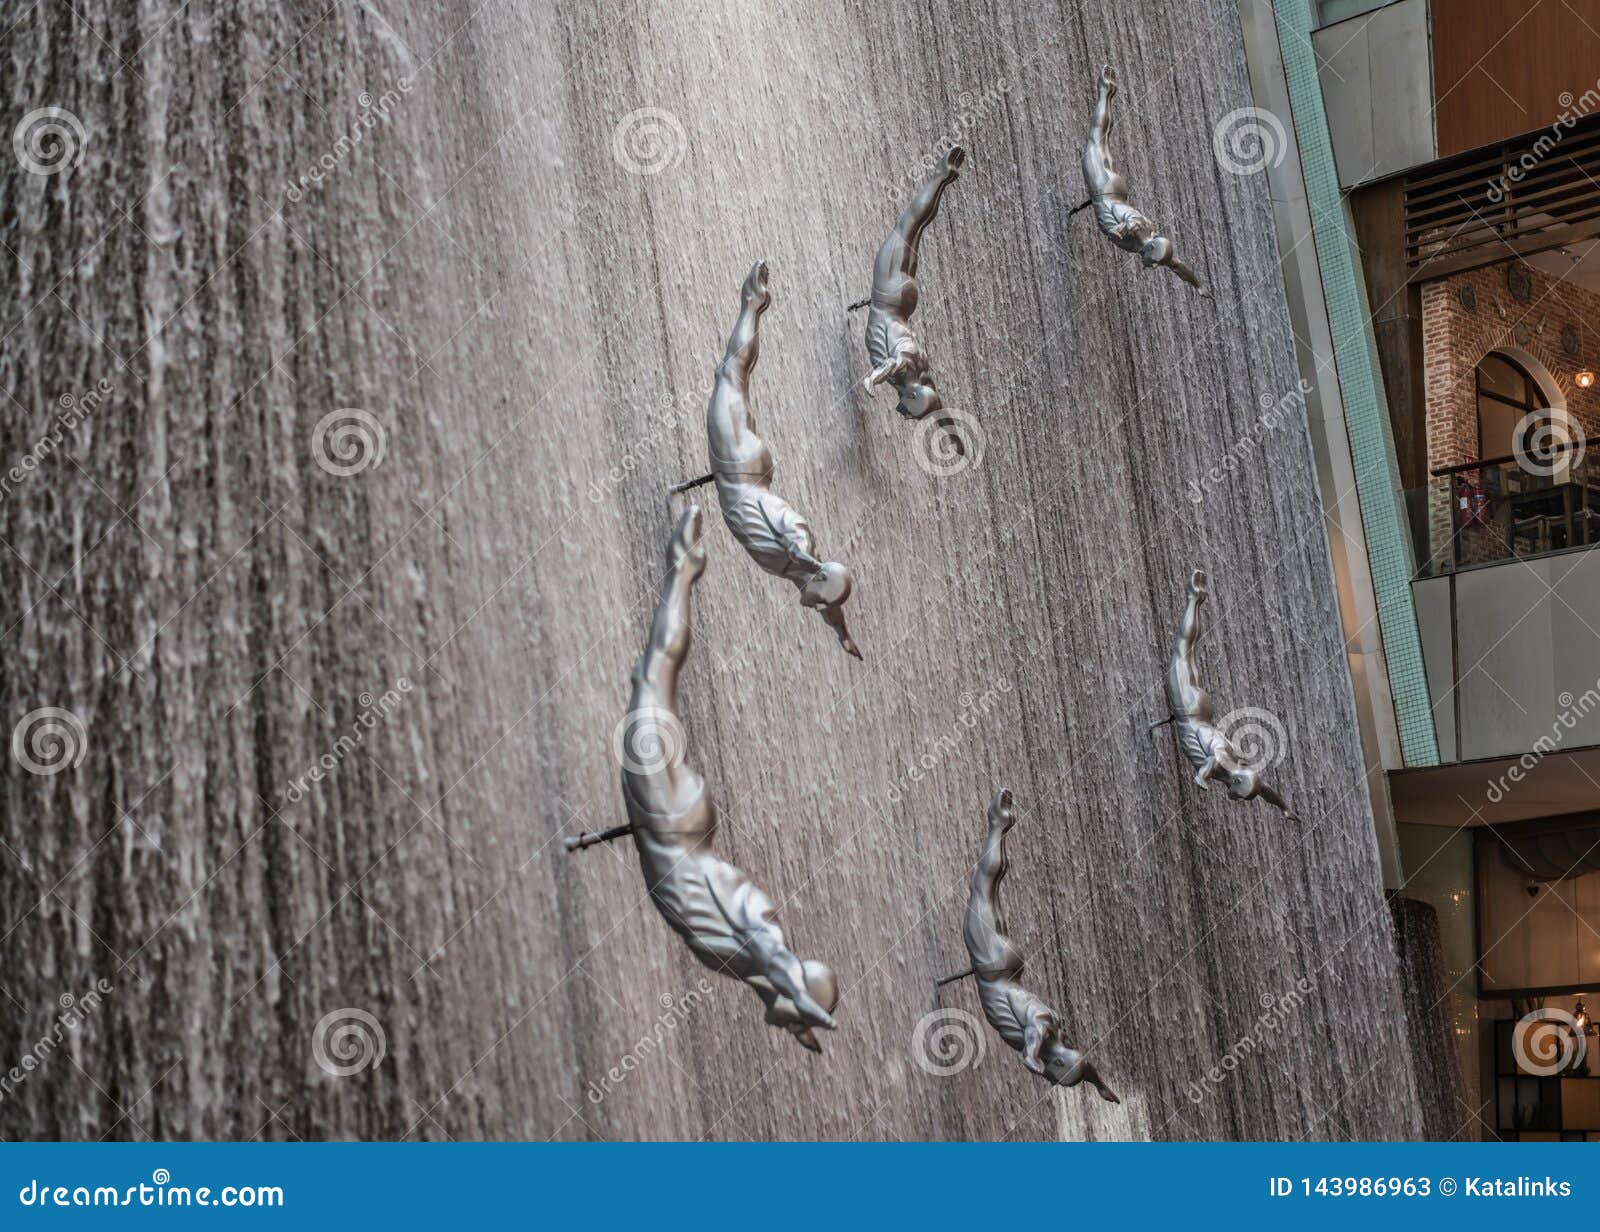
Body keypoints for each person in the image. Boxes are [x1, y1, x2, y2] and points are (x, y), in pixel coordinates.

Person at [573, 505, 840, 1052]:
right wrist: (797, 992)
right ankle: (682, 570)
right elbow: (775, 952)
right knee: (654, 672)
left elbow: (775, 968)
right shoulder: (762, 945)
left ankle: (683, 571)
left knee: (653, 673)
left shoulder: (745, 972)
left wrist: (799, 1012)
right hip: (668, 818)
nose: (794, 1025)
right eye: (799, 1016)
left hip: (674, 825)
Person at [706, 260, 860, 659]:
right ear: (820, 575)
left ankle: (753, 306)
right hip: (737, 469)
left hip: (748, 472)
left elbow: (829, 604)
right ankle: (752, 304)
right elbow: (792, 527)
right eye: (823, 599)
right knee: (731, 373)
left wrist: (841, 633)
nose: (818, 605)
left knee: (735, 376)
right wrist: (801, 548)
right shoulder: (799, 549)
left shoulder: (801, 574)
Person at [960, 788, 1119, 1100]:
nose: (1050, 1078)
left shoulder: (1058, 1032)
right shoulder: (1044, 1030)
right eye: (1055, 1076)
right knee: (982, 885)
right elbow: (1036, 1031)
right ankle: (997, 824)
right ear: (1058, 1061)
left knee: (990, 888)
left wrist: (1099, 1085)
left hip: (1004, 966)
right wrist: (1031, 1057)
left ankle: (999, 829)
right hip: (992, 966)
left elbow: (1083, 1066)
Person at [1161, 570, 1298, 820]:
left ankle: (1197, 601)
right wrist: (1201, 776)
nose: (1239, 799)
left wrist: (1283, 807)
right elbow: (1214, 761)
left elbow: (1265, 791)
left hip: (1201, 711)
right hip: (1188, 710)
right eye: (1241, 794)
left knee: (1188, 652)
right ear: (1237, 781)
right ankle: (1193, 598)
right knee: (1182, 648)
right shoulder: (1225, 764)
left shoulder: (1239, 767)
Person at [1077, 65, 1210, 297]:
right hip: (1102, 189)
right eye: (1155, 261)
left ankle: (1107, 95)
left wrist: (1197, 285)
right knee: (1095, 139)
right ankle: (1103, 91)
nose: (1154, 266)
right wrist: (1122, 228)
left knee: (1102, 139)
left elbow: (1178, 267)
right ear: (1150, 246)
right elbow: (1133, 221)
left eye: (1157, 263)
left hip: (1115, 189)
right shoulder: (1139, 233)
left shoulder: (1156, 244)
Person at [858, 147, 965, 420]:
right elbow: (892, 365)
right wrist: (873, 379)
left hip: (903, 302)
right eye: (909, 410)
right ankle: (940, 177)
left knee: (915, 227)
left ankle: (943, 182)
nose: (904, 414)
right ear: (913, 395)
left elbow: (938, 408)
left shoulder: (921, 371)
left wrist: (953, 435)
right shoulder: (907, 367)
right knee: (908, 224)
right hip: (888, 295)